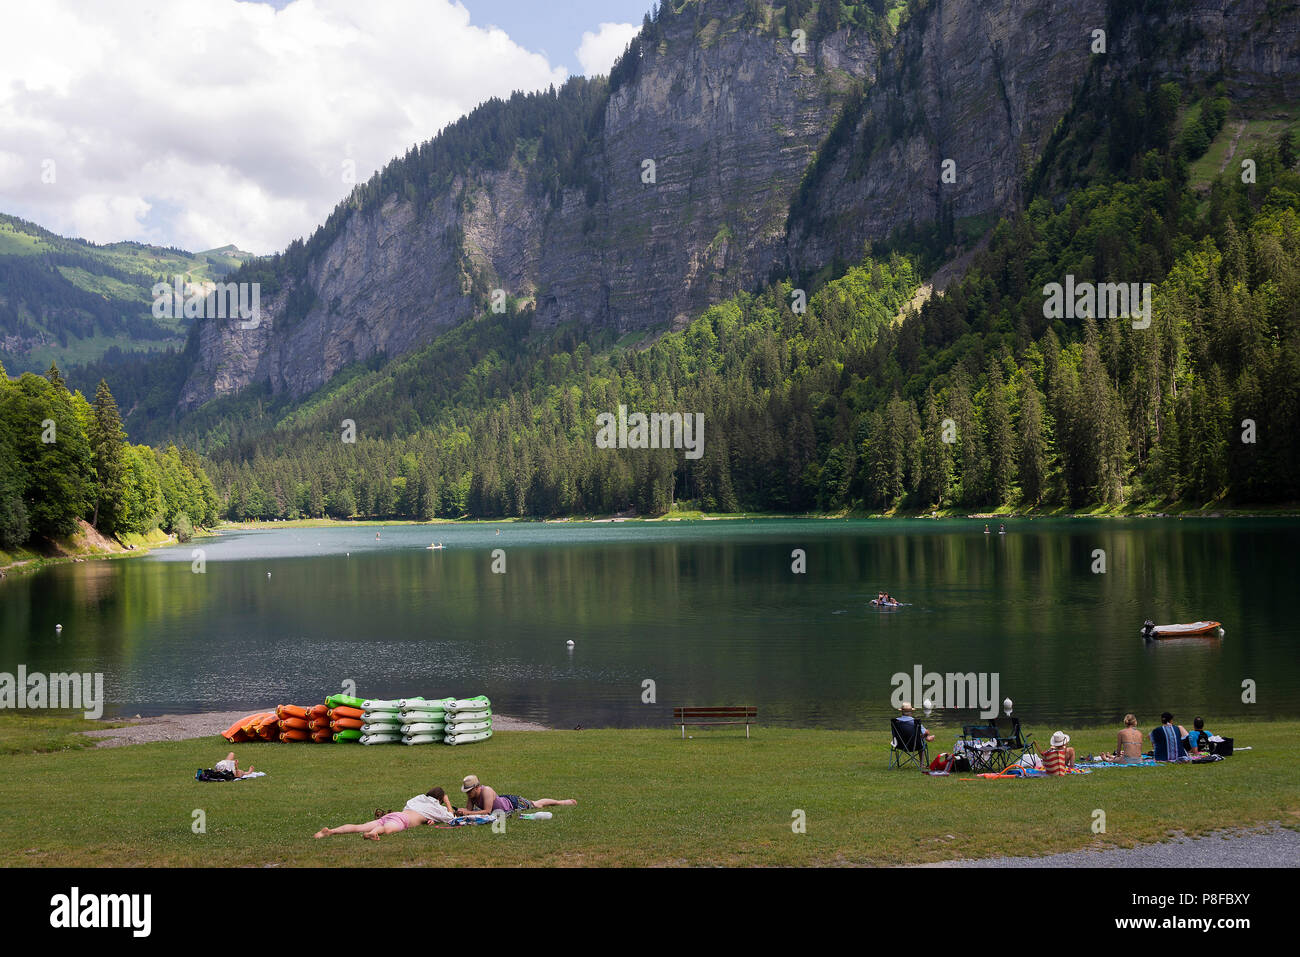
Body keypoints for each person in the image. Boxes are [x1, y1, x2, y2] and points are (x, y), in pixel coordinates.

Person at [314, 786, 455, 840]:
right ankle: (373, 833)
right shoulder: (436, 807)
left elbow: (423, 815)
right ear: (439, 799)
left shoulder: (418, 799)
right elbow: (450, 817)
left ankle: (331, 831)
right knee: (387, 829)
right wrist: (447, 802)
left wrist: (428, 820)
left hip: (394, 815)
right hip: (402, 820)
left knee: (360, 826)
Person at [455, 774, 577, 817]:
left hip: (512, 803)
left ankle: (562, 802)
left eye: (470, 790)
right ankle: (560, 802)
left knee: (536, 804)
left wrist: (468, 813)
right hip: (501, 803)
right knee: (536, 803)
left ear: (477, 787)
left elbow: (487, 811)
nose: (468, 793)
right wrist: (462, 812)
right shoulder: (471, 795)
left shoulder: (486, 790)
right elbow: (469, 810)